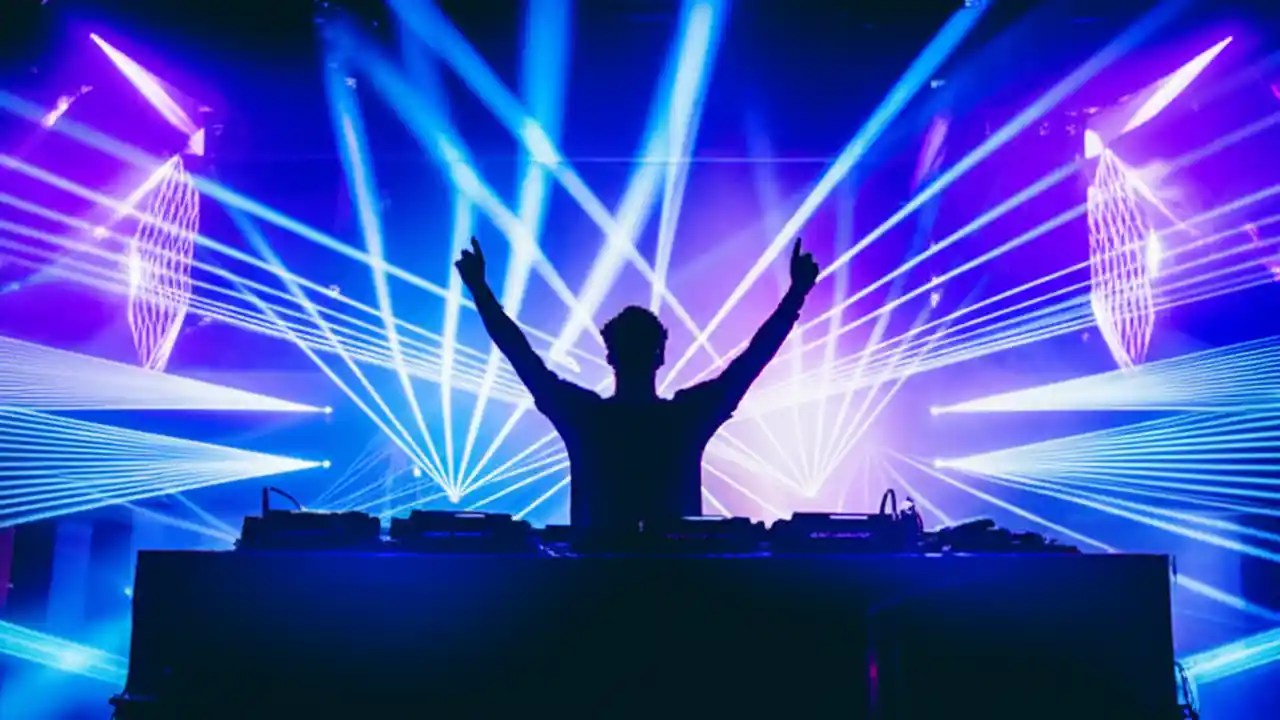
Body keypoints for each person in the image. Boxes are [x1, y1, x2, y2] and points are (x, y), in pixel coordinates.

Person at [456, 237, 819, 530]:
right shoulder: (686, 416)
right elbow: (751, 361)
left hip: (593, 576)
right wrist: (796, 295)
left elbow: (521, 356)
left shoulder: (584, 415)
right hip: (678, 576)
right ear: (661, 356)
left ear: (609, 356)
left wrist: (480, 290)